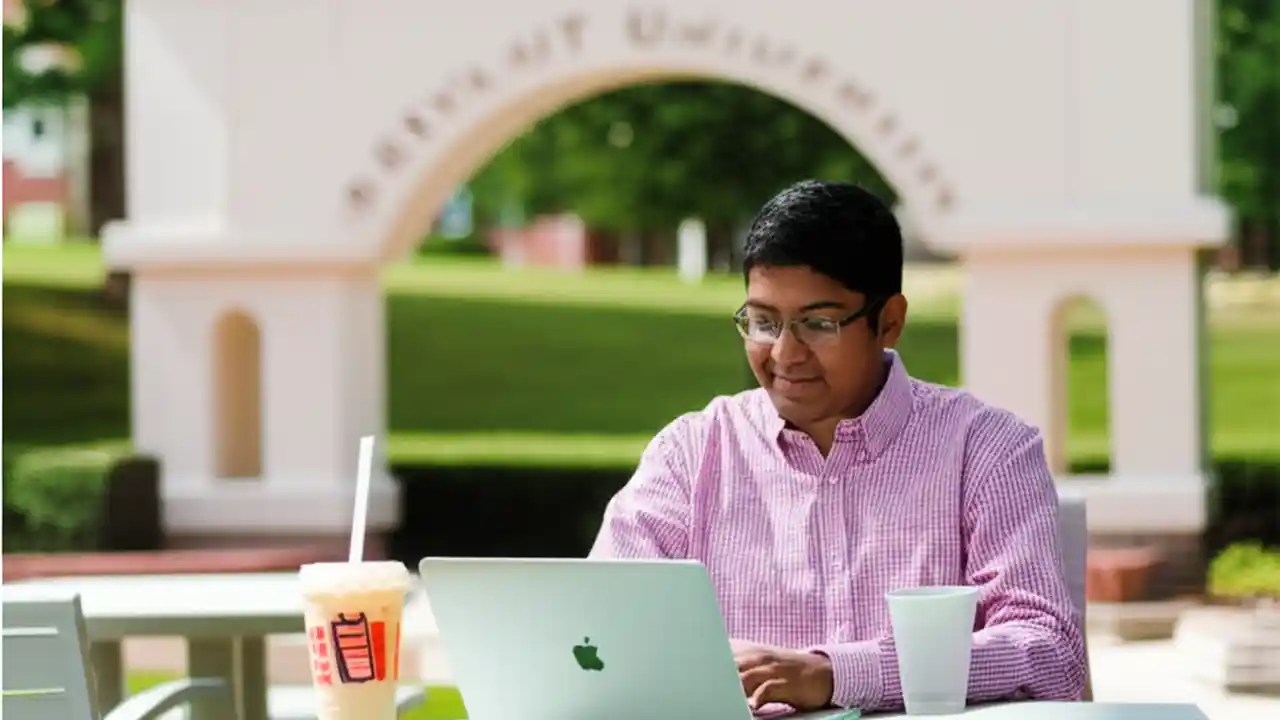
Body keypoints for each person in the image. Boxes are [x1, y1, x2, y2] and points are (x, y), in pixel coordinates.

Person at [589, 180, 1087, 713]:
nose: (784, 353)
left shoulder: (985, 449)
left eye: (818, 323)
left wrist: (835, 674)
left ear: (889, 321)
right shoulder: (690, 454)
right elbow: (595, 630)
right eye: (763, 322)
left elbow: (1049, 651)